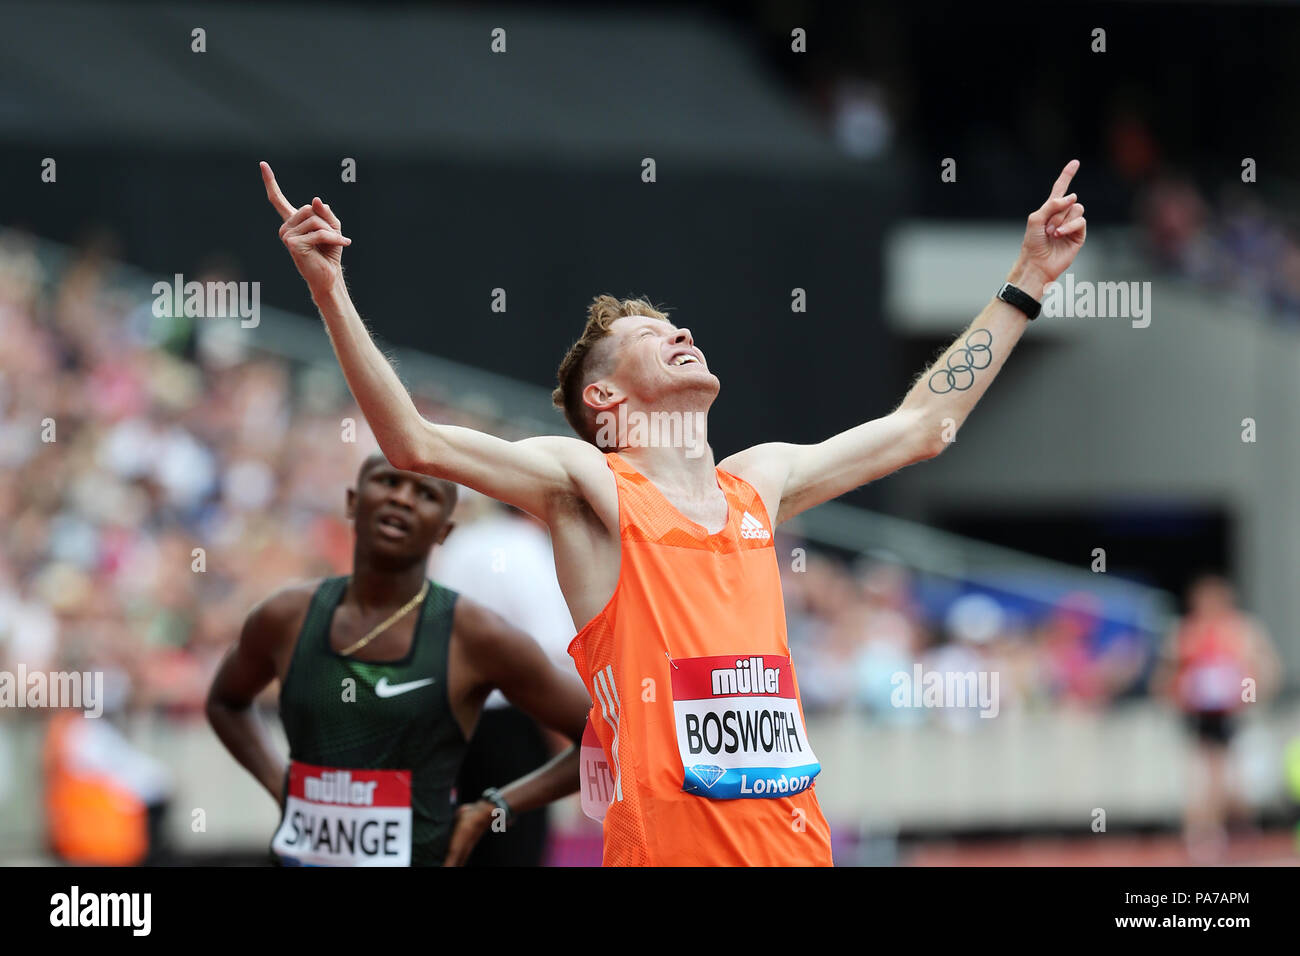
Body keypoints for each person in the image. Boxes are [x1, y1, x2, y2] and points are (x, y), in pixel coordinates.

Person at [259, 158, 1088, 866]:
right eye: (653, 335)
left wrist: (1026, 282)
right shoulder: (588, 484)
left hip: (796, 848)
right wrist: (330, 290)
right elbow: (413, 443)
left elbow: (923, 427)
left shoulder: (755, 483)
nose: (682, 330)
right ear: (605, 396)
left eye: (676, 323)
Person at [206, 452, 591, 866]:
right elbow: (226, 700)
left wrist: (496, 807)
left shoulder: (476, 635)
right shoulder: (286, 616)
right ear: (353, 502)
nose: (403, 499)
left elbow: (600, 734)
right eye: (388, 483)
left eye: (425, 493)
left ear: (444, 530)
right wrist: (279, 783)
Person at [431, 501, 576, 866]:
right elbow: (553, 651)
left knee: (462, 845)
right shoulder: (530, 550)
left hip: (455, 718)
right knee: (516, 843)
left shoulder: (463, 543)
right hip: (518, 721)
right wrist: (563, 743)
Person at [1153, 574, 1281, 860]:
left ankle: (1241, 832)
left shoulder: (1245, 630)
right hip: (1199, 717)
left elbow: (1268, 669)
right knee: (1202, 779)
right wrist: (1177, 695)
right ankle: (1204, 838)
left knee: (1237, 783)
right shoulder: (1185, 632)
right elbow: (1165, 677)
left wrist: (1251, 696)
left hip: (1238, 717)